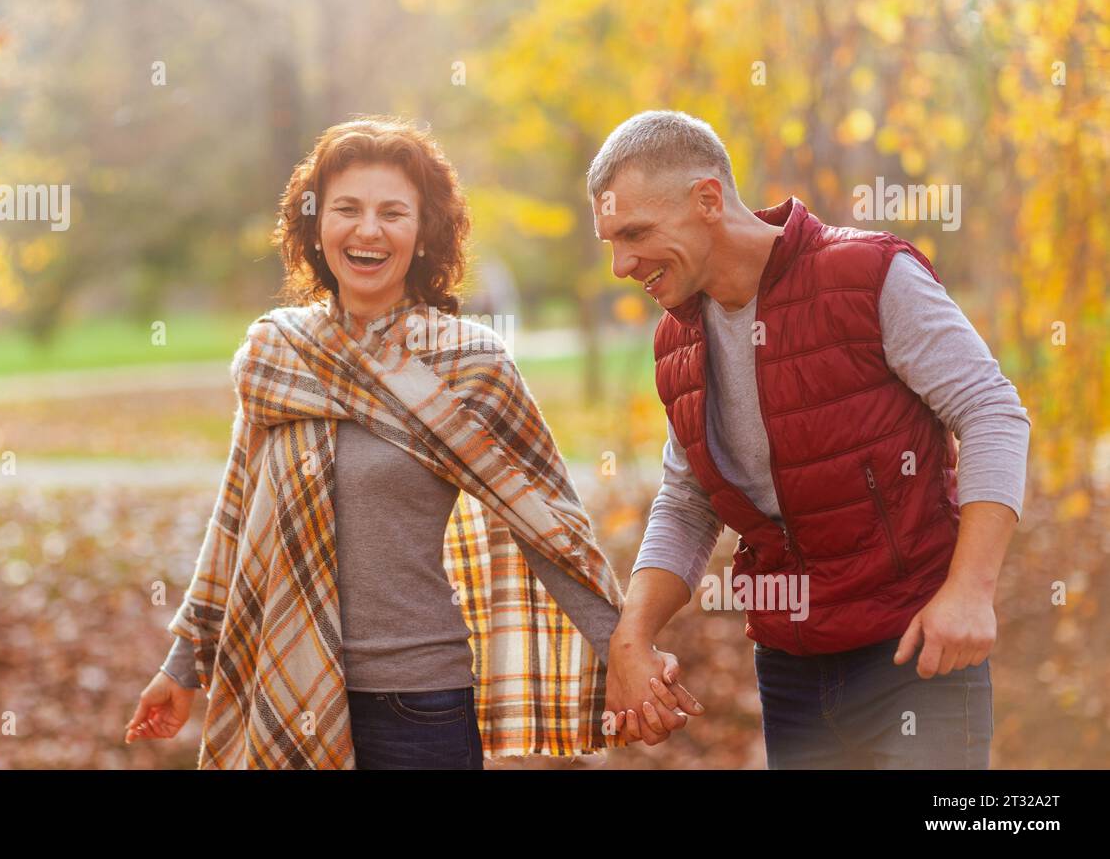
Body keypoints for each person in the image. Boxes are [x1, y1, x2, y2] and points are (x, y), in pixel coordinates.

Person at [123, 116, 680, 768]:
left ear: (423, 233)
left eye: (393, 212)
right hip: (288, 689)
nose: (368, 230)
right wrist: (183, 664)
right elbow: (234, 517)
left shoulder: (470, 364)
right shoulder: (277, 356)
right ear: (315, 226)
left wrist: (626, 651)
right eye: (347, 210)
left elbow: (549, 526)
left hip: (422, 708)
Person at [591, 110, 1030, 768]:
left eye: (635, 234)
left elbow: (992, 414)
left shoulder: (869, 275)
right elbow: (687, 501)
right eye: (611, 243)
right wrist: (633, 638)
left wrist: (970, 592)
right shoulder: (678, 340)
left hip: (915, 654)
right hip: (792, 673)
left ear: (707, 200)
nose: (622, 264)